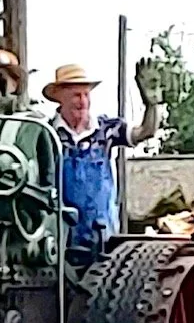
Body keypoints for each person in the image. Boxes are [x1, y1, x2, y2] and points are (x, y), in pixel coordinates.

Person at [43, 60, 161, 251]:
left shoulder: (106, 130)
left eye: (86, 95)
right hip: (63, 239)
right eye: (76, 95)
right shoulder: (47, 135)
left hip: (105, 234)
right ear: (59, 97)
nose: (82, 102)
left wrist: (152, 105)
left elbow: (145, 132)